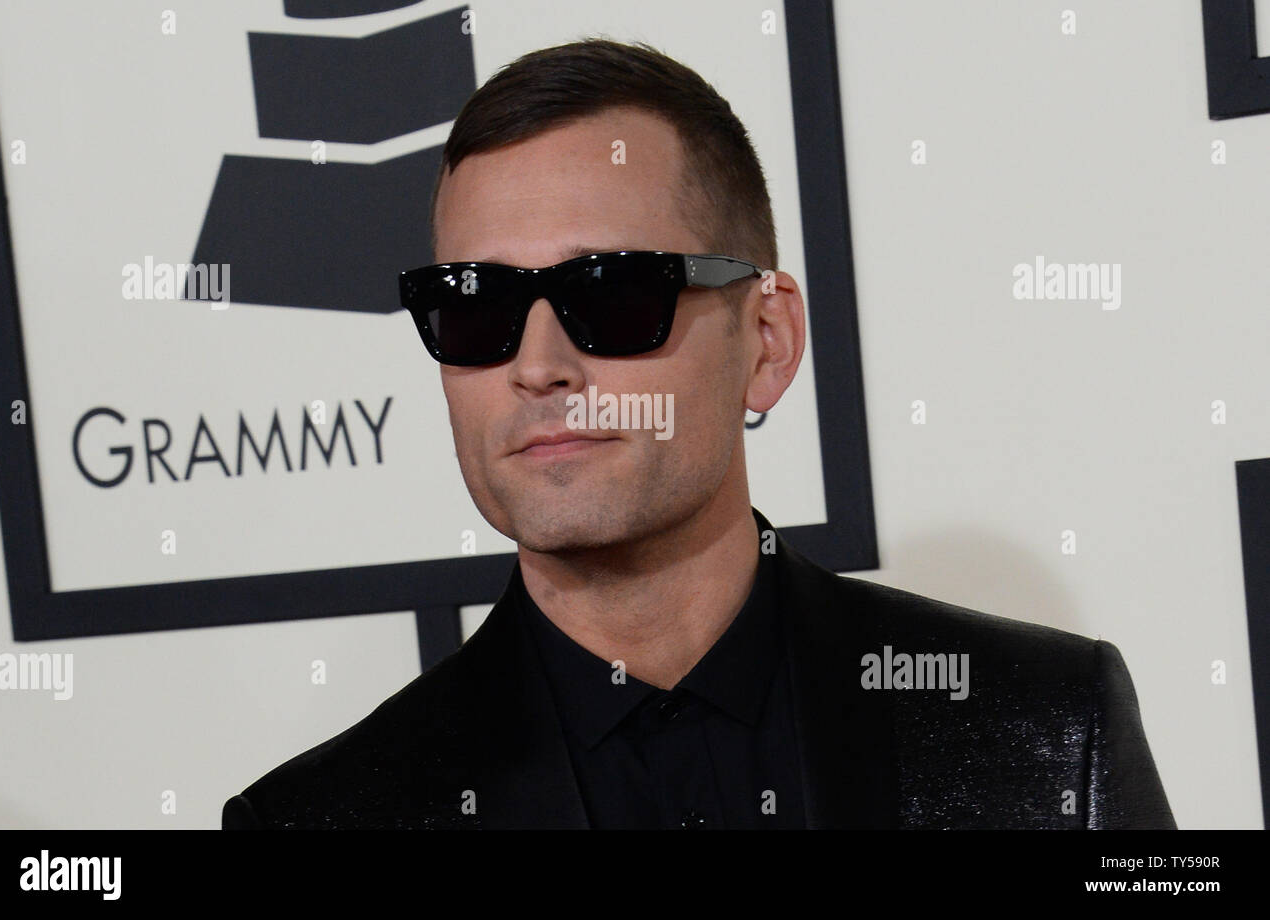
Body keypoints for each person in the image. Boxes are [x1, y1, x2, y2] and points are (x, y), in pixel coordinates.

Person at [222, 38, 1175, 829]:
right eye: (477, 307)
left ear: (766, 339)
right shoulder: (319, 821)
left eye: (613, 293)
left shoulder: (1045, 727)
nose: (537, 362)